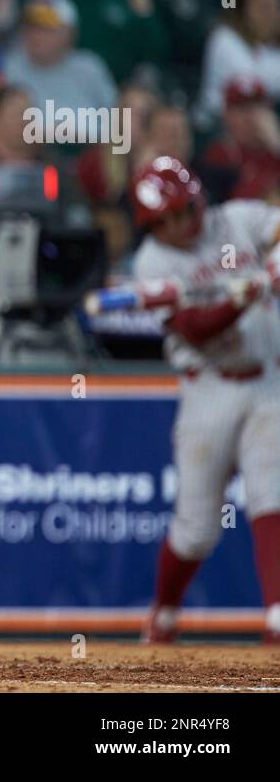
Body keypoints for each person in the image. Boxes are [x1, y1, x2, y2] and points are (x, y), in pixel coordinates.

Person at [129, 158, 280, 644]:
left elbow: (275, 225)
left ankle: (278, 613)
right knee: (196, 529)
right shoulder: (153, 263)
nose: (179, 224)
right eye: (166, 219)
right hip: (208, 387)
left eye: (184, 210)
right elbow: (195, 330)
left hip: (267, 382)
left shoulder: (236, 220)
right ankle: (164, 612)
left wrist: (273, 266)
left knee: (272, 495)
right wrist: (239, 299)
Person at [197, 0, 280, 119]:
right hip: (216, 128)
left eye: (276, 7)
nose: (271, 14)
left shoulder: (272, 50)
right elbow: (249, 87)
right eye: (263, 6)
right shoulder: (224, 38)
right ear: (242, 9)